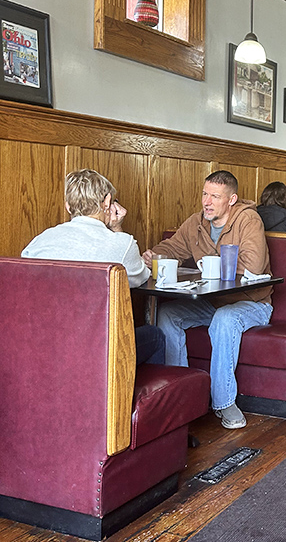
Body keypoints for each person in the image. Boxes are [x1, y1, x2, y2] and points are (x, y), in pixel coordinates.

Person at [143, 170, 272, 430]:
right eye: (205, 194)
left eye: (215, 196)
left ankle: (224, 403)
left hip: (253, 303)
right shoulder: (196, 223)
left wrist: (211, 266)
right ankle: (181, 394)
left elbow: (255, 266)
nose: (207, 202)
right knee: (167, 314)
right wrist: (153, 256)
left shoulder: (249, 220)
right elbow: (173, 247)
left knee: (225, 319)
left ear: (232, 199)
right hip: (213, 302)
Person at [21, 168, 165, 365]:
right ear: (107, 202)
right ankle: (129, 396)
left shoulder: (38, 242)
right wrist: (117, 229)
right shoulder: (121, 243)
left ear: (68, 207)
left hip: (43, 345)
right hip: (97, 351)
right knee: (155, 336)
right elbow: (140, 277)